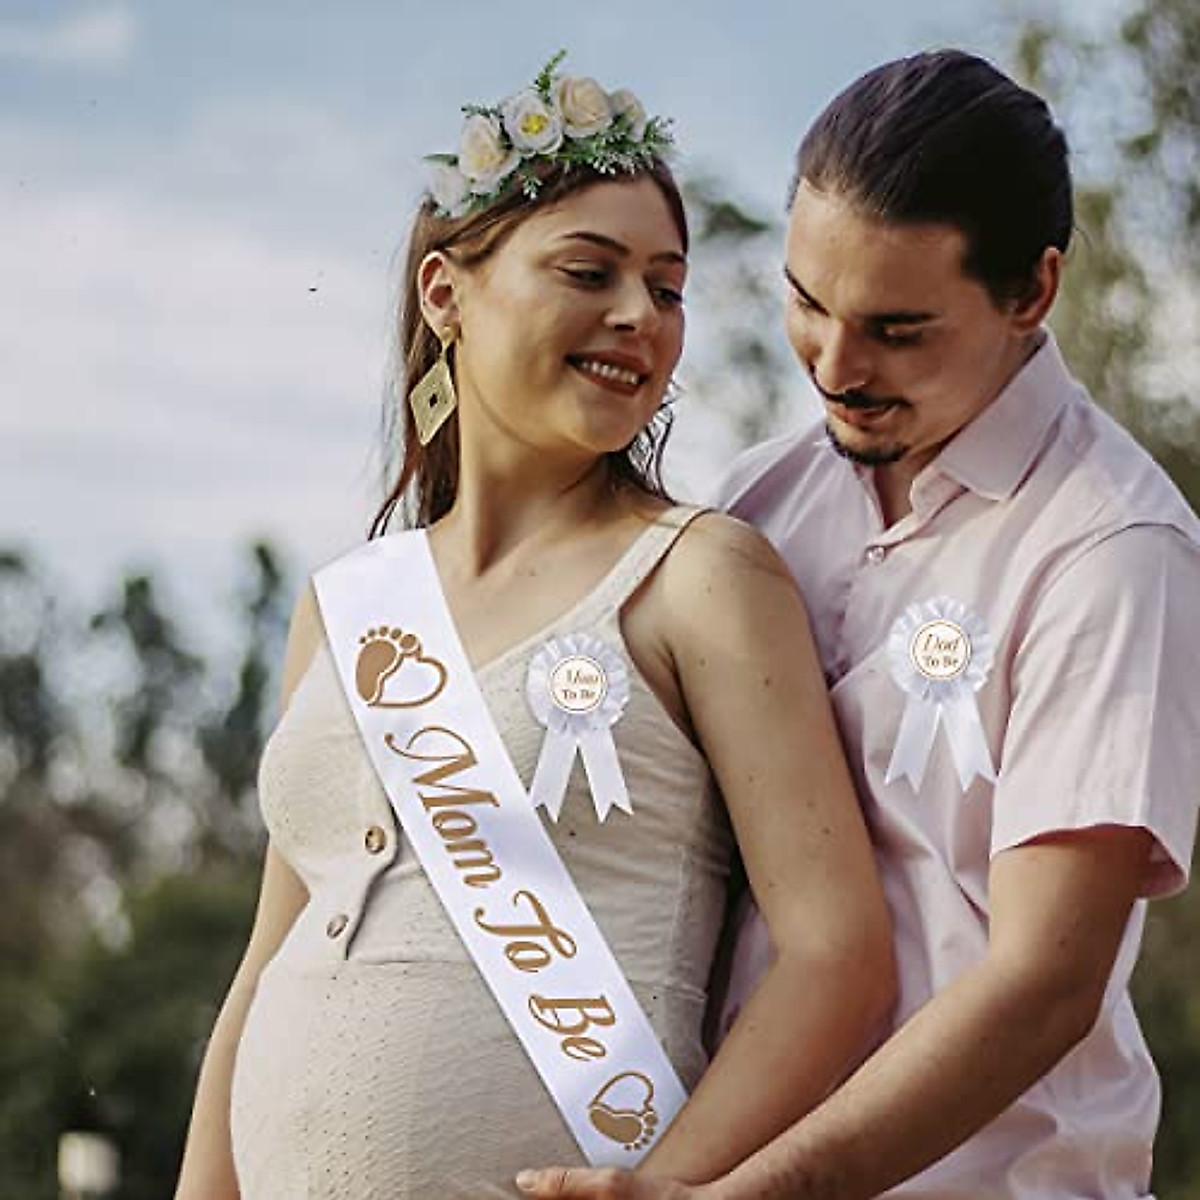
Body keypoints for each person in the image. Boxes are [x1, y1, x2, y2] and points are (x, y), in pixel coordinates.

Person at [172, 53, 894, 1200]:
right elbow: (267, 966)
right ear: (445, 295)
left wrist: (668, 1186)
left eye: (667, 288)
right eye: (589, 271)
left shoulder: (699, 576)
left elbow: (837, 956)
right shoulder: (345, 607)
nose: (639, 316)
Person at [516, 48, 1200, 1200]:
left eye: (898, 328)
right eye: (806, 301)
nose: (836, 367)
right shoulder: (756, 499)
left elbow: (1045, 984)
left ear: (1033, 293)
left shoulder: (1112, 549)